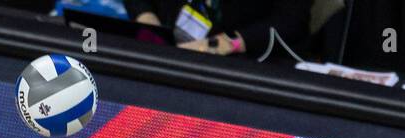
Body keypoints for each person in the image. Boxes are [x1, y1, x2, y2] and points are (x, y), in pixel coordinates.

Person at [125, 0, 312, 59]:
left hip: (238, 64)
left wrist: (223, 44)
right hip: (162, 53)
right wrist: (146, 17)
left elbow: (292, 21)